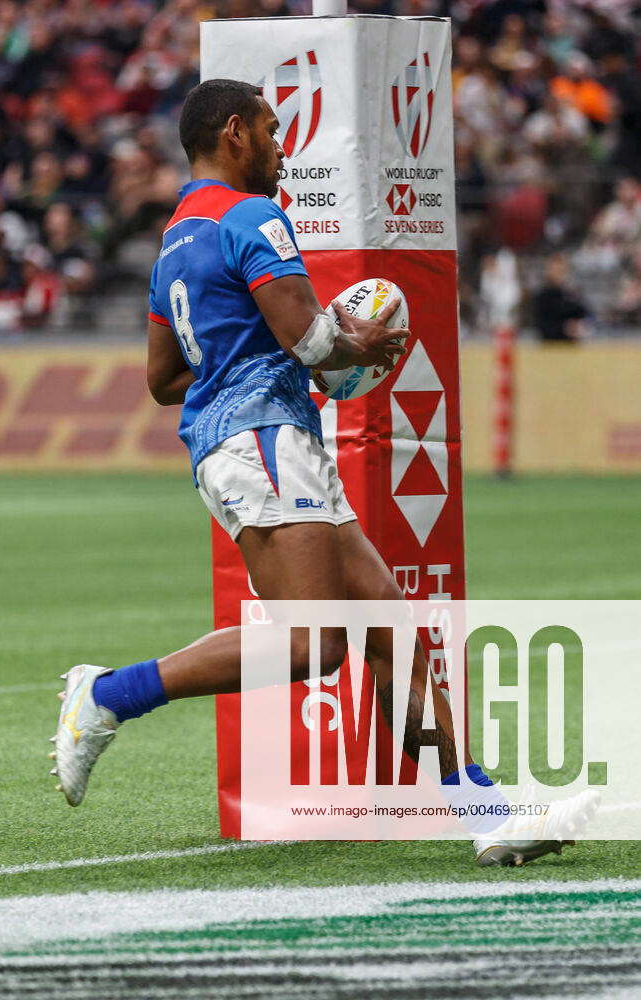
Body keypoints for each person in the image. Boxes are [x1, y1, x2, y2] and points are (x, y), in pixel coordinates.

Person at [50, 79, 595, 867]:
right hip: (263, 441)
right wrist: (359, 343)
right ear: (233, 133)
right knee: (314, 646)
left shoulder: (175, 237)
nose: (282, 148)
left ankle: (486, 814)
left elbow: (165, 379)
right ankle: (107, 695)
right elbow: (310, 343)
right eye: (271, 130)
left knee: (388, 629)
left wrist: (266, 354)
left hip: (256, 441)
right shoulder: (252, 215)